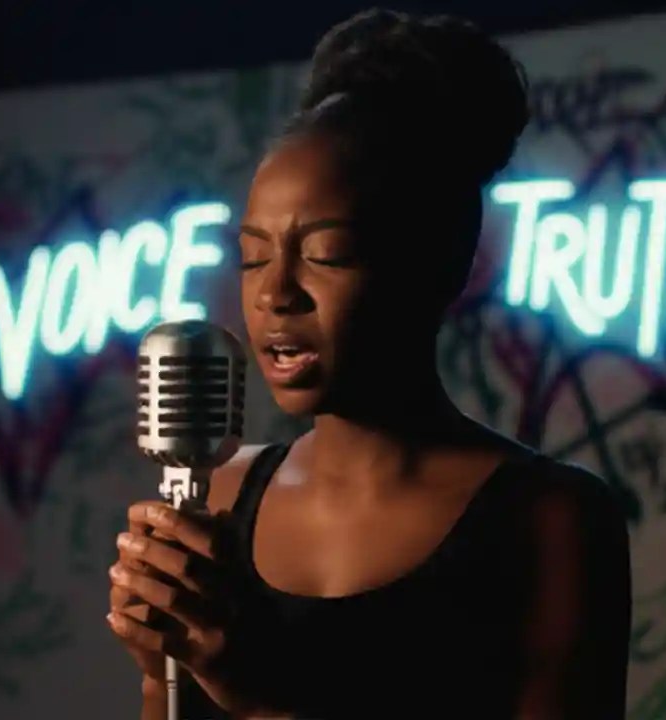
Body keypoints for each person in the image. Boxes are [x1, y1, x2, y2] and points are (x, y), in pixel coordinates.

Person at [106, 8, 631, 719]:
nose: (274, 294)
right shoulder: (219, 499)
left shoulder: (552, 521)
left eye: (326, 255)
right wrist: (158, 677)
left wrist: (261, 700)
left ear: (441, 263)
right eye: (253, 257)